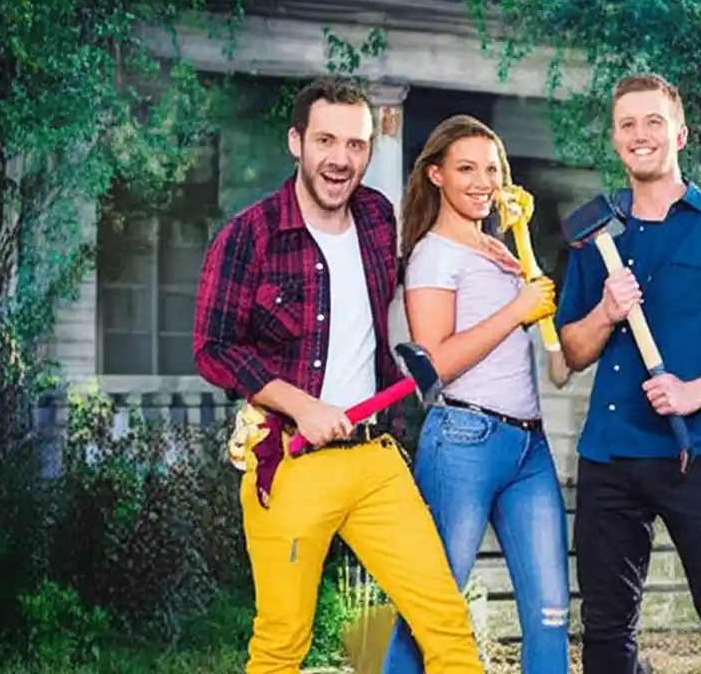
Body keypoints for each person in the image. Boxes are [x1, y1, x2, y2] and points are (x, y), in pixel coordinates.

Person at [192, 79, 484, 674]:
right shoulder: (250, 236)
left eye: (356, 144)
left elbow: (406, 290)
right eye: (326, 140)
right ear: (296, 141)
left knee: (447, 626)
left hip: (376, 461)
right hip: (291, 462)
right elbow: (213, 346)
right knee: (281, 647)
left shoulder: (377, 218)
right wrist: (299, 404)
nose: (340, 158)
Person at [554, 73, 701, 674]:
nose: (641, 135)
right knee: (606, 626)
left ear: (679, 133)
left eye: (654, 121)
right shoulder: (594, 237)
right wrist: (608, 312)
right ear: (615, 140)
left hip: (697, 458)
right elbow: (572, 350)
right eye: (628, 124)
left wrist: (694, 393)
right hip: (608, 456)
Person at [382, 115, 570, 674]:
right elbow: (434, 363)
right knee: (431, 614)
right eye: (466, 168)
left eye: (492, 168)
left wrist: (523, 243)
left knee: (551, 616)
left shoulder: (499, 249)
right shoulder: (432, 254)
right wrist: (517, 311)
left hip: (528, 447)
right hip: (463, 440)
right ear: (436, 175)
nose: (483, 180)